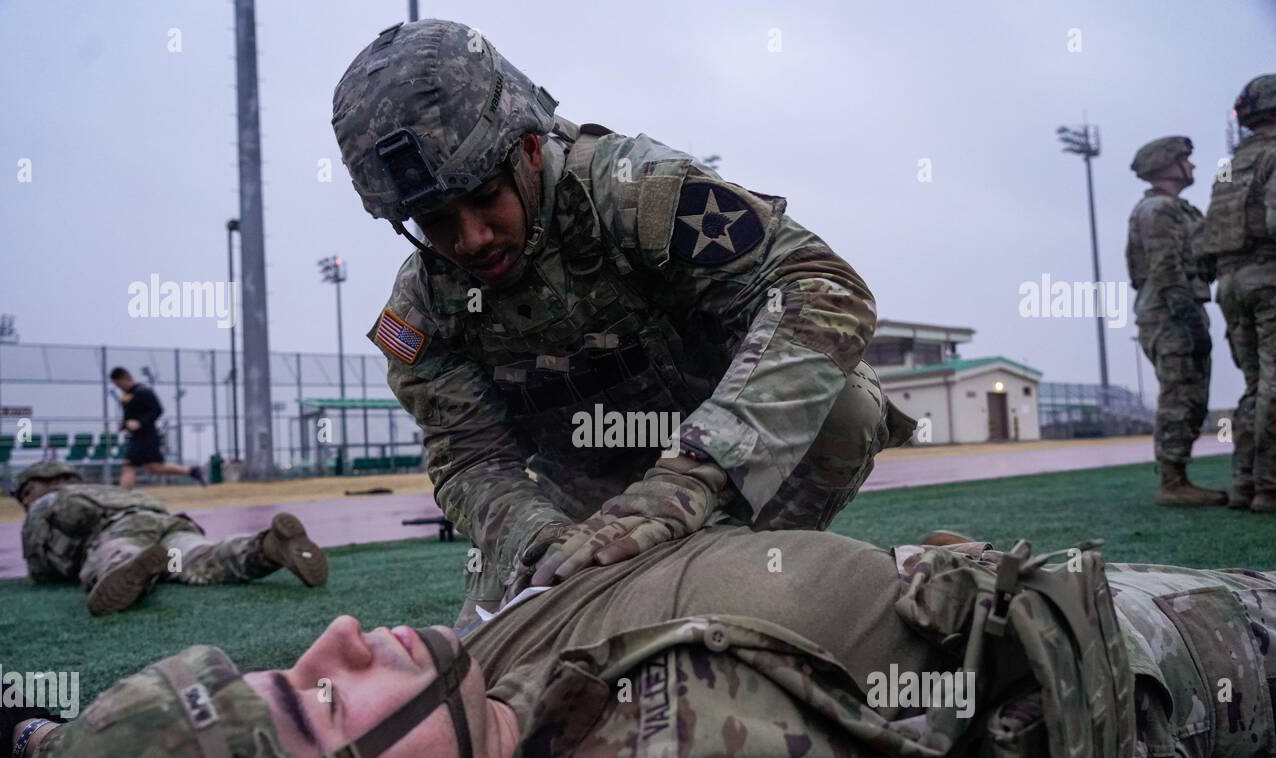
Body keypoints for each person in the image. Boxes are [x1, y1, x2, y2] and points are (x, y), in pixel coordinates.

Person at [0, 524, 1276, 758]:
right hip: (1137, 658)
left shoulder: (462, 724)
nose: (336, 638)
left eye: (288, 671)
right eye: (320, 711)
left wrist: (33, 739)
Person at [331, 20, 915, 627]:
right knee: (492, 678)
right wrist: (541, 542)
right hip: (574, 502)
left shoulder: (632, 194)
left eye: (484, 197)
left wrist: (688, 477)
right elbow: (471, 459)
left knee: (847, 406)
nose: (471, 238)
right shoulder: (422, 311)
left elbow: (821, 288)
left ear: (529, 148)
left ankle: (738, 590)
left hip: (723, 461)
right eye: (434, 221)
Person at [13, 461, 329, 616]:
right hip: (169, 522)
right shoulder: (104, 490)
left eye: (24, 495)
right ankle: (266, 547)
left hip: (120, 528)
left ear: (32, 488)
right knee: (202, 557)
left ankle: (127, 567)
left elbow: (43, 569)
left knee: (116, 550)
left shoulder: (43, 505)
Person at [1125, 137, 1229, 506]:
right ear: (1167, 165)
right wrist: (1187, 318)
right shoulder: (1159, 210)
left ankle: (1178, 477)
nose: (1193, 166)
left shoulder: (1178, 209)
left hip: (1179, 308)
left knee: (1192, 395)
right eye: (1186, 159)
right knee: (1179, 394)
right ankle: (1172, 482)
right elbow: (1165, 268)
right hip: (1170, 312)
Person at [1199, 74, 1276, 513]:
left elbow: (1210, 235)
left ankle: (1245, 482)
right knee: (1273, 382)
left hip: (1230, 281)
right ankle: (1269, 484)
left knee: (1255, 383)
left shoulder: (1228, 167)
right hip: (1268, 276)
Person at [109, 367, 205, 489]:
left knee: (129, 467)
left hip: (146, 437)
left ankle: (122, 500)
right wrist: (124, 424)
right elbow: (130, 416)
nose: (118, 387)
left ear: (125, 378)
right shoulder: (126, 396)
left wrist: (140, 422)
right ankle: (191, 471)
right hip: (137, 437)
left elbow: (157, 410)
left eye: (118, 384)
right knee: (155, 468)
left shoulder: (143, 392)